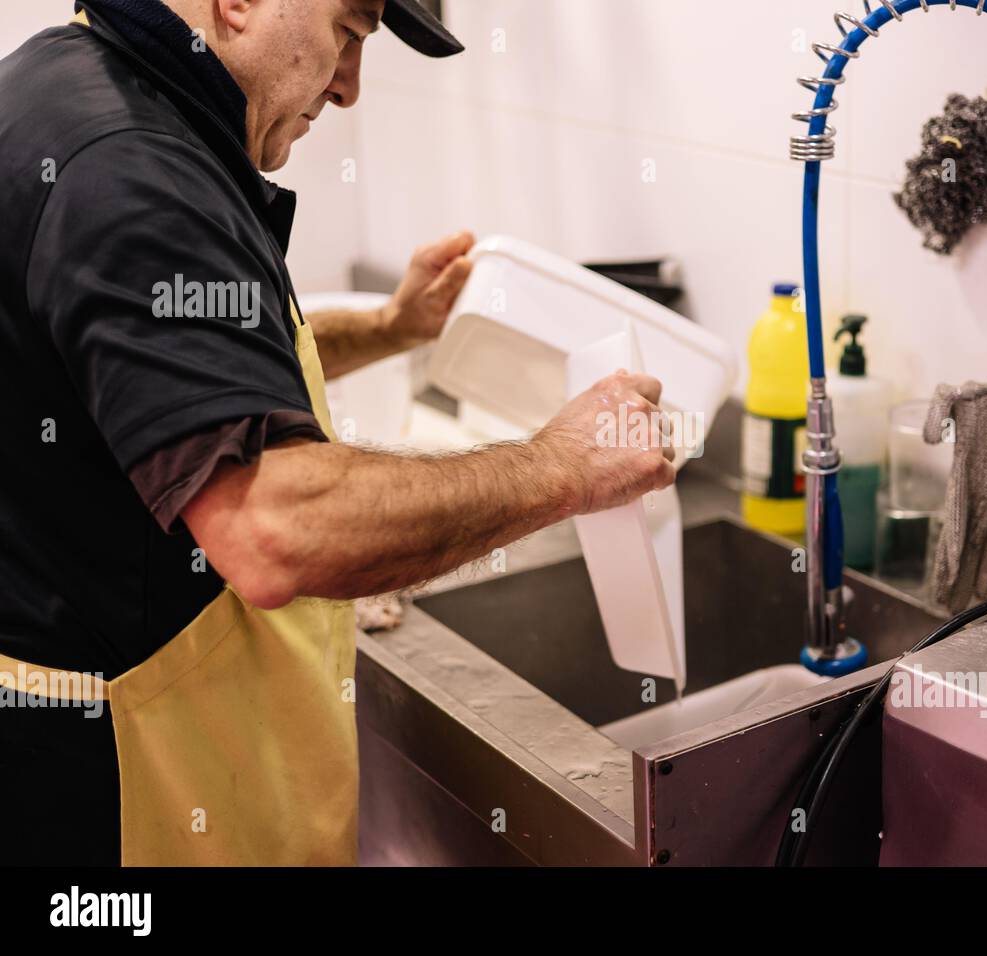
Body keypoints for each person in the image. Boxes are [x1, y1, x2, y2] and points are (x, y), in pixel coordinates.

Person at [0, 0, 673, 866]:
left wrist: (391, 328)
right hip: (121, 801)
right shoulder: (132, 168)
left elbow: (185, 381)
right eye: (350, 33)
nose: (350, 88)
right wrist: (564, 467)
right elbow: (276, 527)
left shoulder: (69, 86)